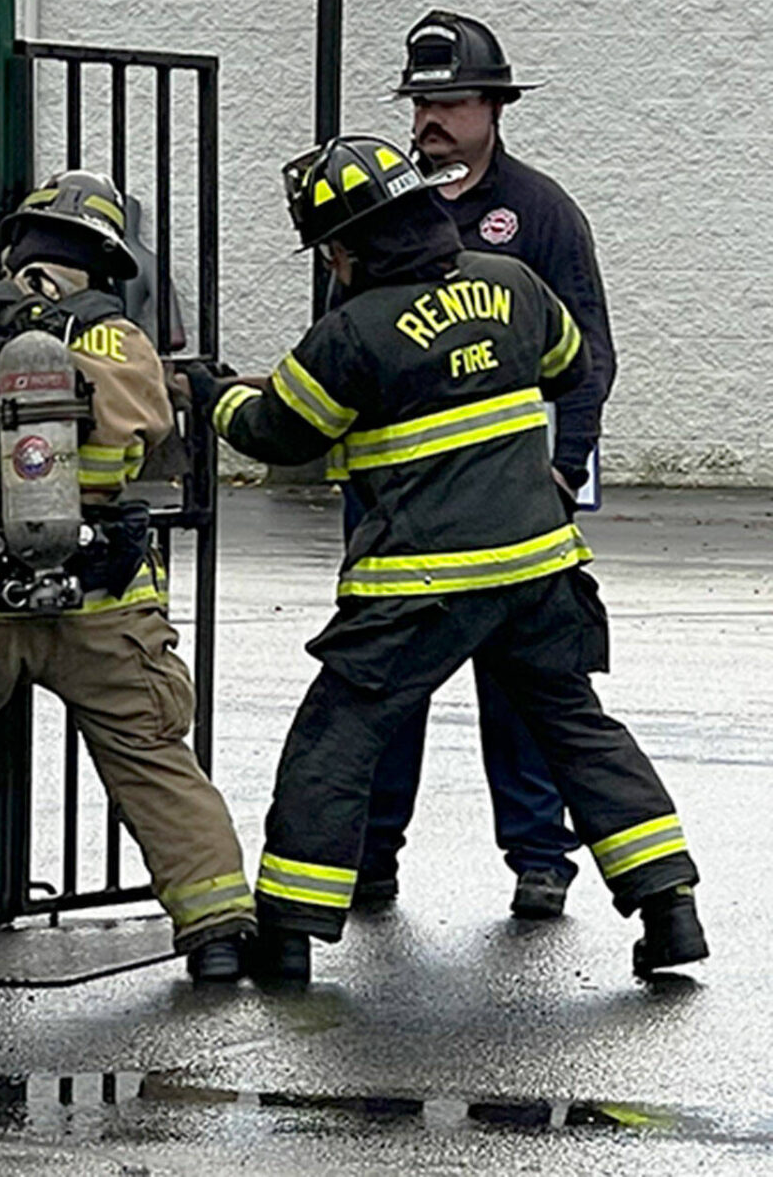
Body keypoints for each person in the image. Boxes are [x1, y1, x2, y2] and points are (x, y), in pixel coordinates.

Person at [185, 135, 705, 984]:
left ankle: (286, 932)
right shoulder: (511, 284)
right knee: (579, 732)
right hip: (539, 568)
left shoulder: (353, 331)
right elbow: (570, 365)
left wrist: (214, 394)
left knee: (335, 742)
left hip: (419, 586)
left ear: (346, 248)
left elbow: (279, 433)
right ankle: (669, 906)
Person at [0, 170, 256, 981]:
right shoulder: (122, 340)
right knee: (150, 753)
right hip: (98, 603)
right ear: (105, 263)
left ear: (18, 246)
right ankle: (215, 929)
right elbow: (151, 432)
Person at [348, 10, 619, 920]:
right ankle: (371, 857)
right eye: (420, 103)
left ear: (494, 107)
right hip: (398, 505)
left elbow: (588, 357)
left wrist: (564, 469)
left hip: (513, 503)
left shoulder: (539, 214)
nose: (430, 120)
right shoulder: (377, 210)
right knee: (386, 691)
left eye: (450, 103)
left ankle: (541, 859)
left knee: (528, 690)